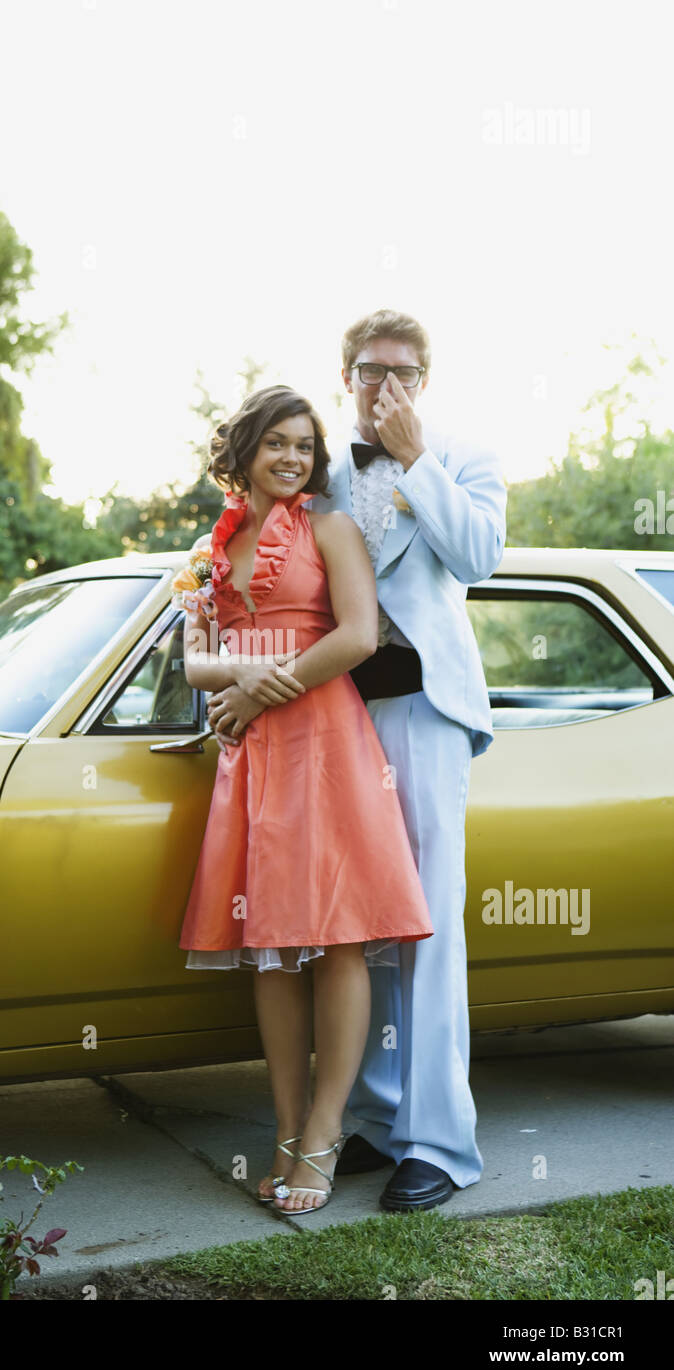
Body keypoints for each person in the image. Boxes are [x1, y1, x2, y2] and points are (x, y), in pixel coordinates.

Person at [209, 310, 508, 1211]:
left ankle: (440, 1144)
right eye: (374, 370)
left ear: (426, 380)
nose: (389, 385)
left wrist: (416, 458)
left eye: (407, 372)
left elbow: (482, 558)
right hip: (331, 718)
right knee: (356, 927)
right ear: (347, 375)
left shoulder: (462, 456)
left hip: (422, 711)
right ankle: (370, 1123)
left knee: (424, 924)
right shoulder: (318, 465)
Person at [177, 384, 434, 1215]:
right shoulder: (213, 547)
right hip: (252, 759)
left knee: (338, 942)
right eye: (276, 444)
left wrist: (256, 691)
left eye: (304, 445)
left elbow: (357, 636)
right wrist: (240, 680)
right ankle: (287, 1132)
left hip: (325, 744)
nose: (292, 458)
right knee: (270, 949)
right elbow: (195, 661)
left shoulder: (333, 529)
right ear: (244, 450)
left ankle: (325, 1134)